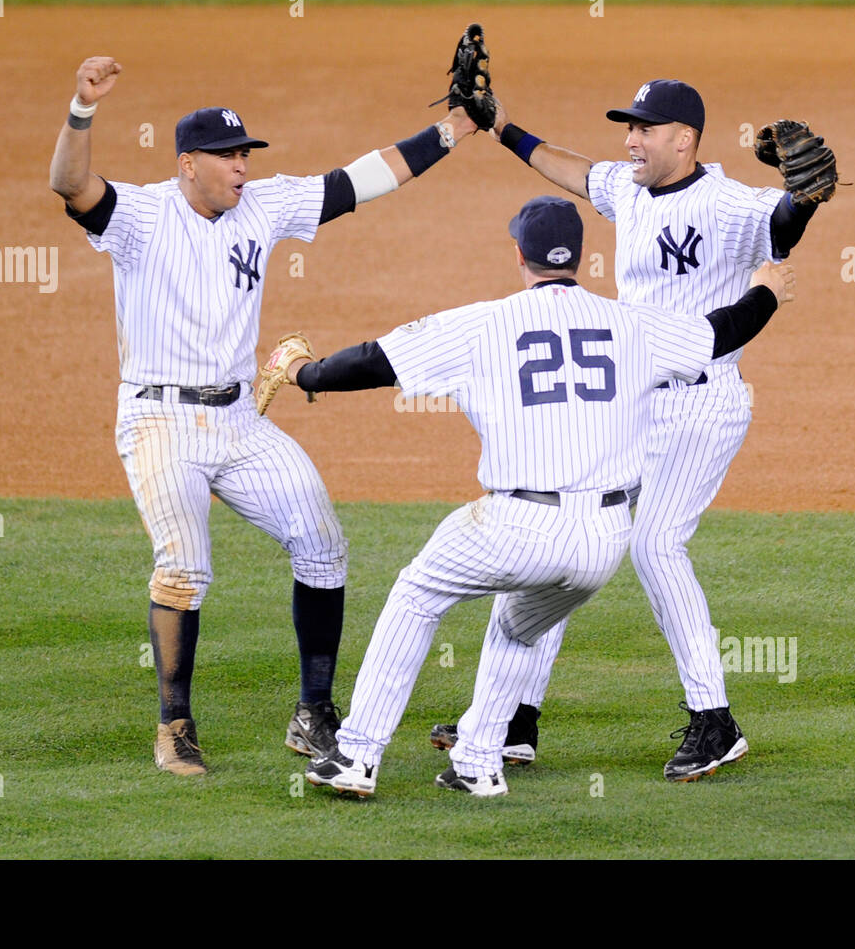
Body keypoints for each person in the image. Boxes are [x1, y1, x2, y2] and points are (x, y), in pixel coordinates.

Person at [256, 196, 794, 797]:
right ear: (581, 258)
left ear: (519, 254)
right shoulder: (634, 323)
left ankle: (356, 756)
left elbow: (373, 362)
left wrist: (304, 371)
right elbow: (723, 332)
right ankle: (481, 760)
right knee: (518, 627)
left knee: (416, 594)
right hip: (603, 542)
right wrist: (767, 288)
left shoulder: (484, 321)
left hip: (515, 523)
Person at [48, 55, 480, 775]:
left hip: (241, 421)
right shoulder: (140, 216)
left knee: (322, 543)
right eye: (228, 157)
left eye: (246, 153)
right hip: (160, 422)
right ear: (189, 164)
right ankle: (174, 724)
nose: (242, 167)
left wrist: (454, 129)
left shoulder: (264, 204)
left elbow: (358, 182)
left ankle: (314, 713)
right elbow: (69, 184)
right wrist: (83, 108)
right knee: (184, 569)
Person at [431, 78, 831, 781]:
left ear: (686, 140)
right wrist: (501, 127)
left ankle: (716, 720)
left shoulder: (728, 201)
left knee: (653, 544)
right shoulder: (629, 188)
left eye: (646, 129)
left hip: (702, 405)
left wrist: (803, 199)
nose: (631, 139)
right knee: (561, 525)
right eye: (629, 127)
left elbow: (784, 224)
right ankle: (515, 717)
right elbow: (570, 168)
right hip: (634, 403)